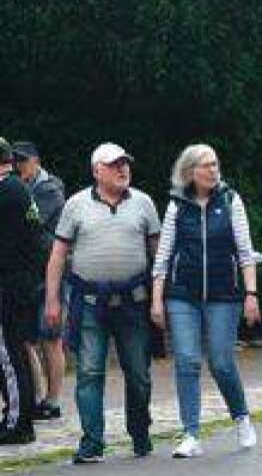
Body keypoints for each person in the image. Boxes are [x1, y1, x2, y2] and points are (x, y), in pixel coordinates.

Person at [44, 143, 161, 463]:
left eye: (125, 163)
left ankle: (140, 432)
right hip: (90, 303)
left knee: (138, 373)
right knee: (89, 372)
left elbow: (158, 255)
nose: (123, 169)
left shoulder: (144, 203)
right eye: (114, 164)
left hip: (133, 303)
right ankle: (92, 442)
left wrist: (161, 299)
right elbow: (57, 256)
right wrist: (52, 300)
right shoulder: (75, 204)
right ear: (97, 171)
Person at [150, 144, 262, 457]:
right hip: (182, 294)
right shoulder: (177, 205)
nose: (213, 170)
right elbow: (163, 255)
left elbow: (245, 252)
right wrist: (157, 299)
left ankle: (241, 417)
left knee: (221, 362)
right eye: (205, 165)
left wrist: (251, 294)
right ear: (189, 172)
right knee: (186, 361)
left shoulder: (230, 200)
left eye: (215, 164)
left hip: (224, 295)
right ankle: (190, 434)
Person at [12, 141, 66, 422]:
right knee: (24, 338)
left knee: (50, 338)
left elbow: (31, 227)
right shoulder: (22, 185)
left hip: (48, 274)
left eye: (22, 160)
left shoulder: (49, 189)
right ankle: (32, 395)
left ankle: (53, 399)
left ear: (36, 160)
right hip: (29, 273)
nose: (18, 165)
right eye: (15, 160)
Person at [0, 138, 41, 445]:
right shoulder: (19, 189)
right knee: (16, 354)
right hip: (22, 282)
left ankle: (18, 422)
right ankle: (18, 416)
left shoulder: (5, 192)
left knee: (9, 356)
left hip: (8, 285)